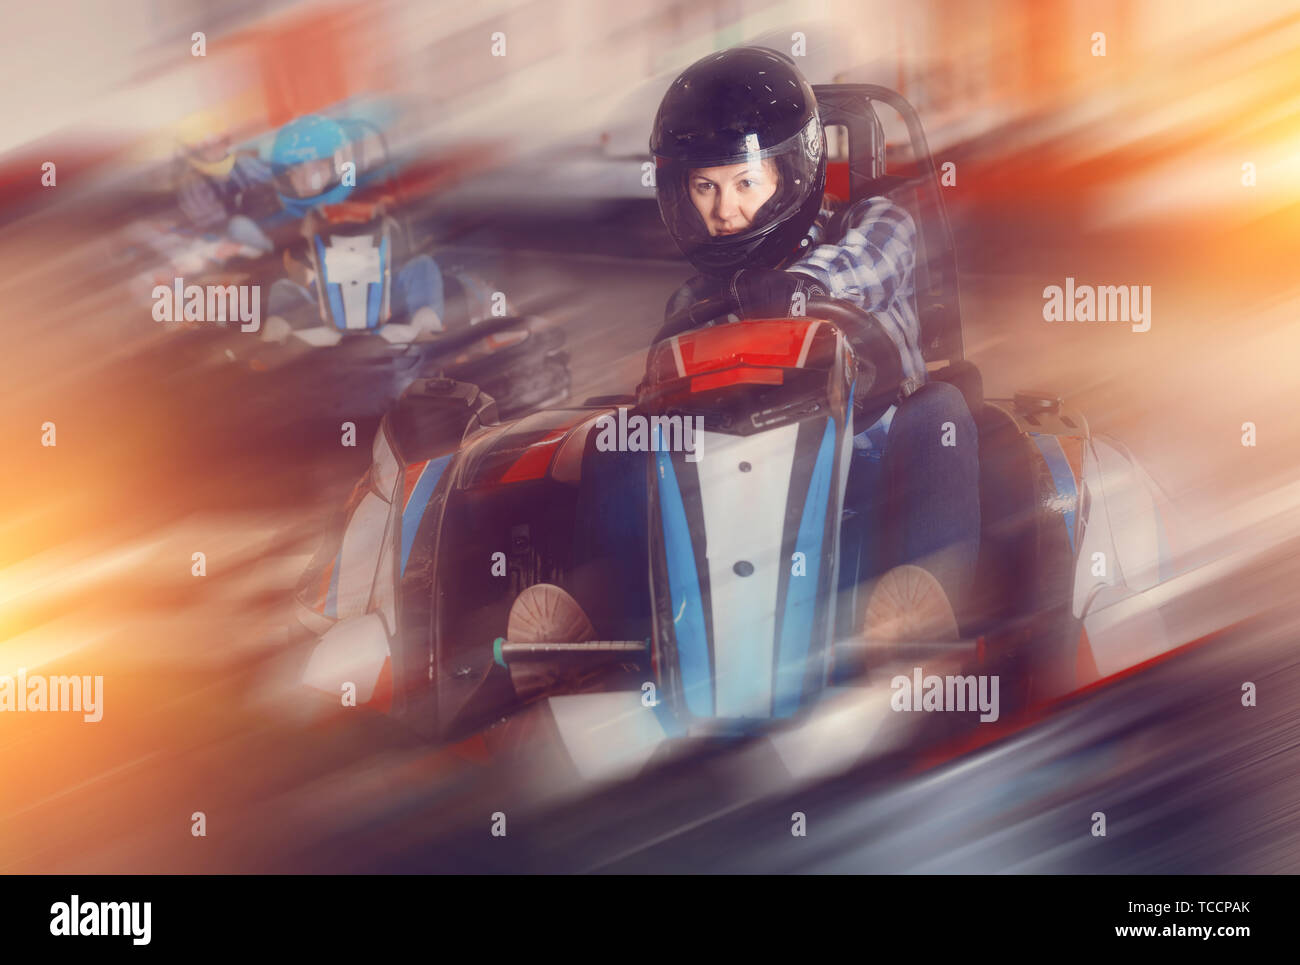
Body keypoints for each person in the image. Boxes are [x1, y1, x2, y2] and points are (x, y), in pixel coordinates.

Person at [649, 46, 980, 645]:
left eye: (745, 182)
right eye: (705, 187)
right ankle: (608, 644)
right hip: (748, 480)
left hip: (873, 461)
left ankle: (925, 634)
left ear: (791, 175)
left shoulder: (874, 224)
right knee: (622, 442)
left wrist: (797, 288)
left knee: (941, 411)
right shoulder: (691, 304)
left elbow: (872, 264)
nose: (726, 211)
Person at [262, 114, 444, 342]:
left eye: (317, 168)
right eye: (296, 172)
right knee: (282, 289)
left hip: (383, 298)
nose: (306, 180)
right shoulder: (287, 223)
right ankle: (275, 338)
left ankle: (426, 323)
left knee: (423, 267)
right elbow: (293, 272)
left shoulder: (369, 197)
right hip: (323, 309)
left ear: (340, 165)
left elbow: (397, 246)